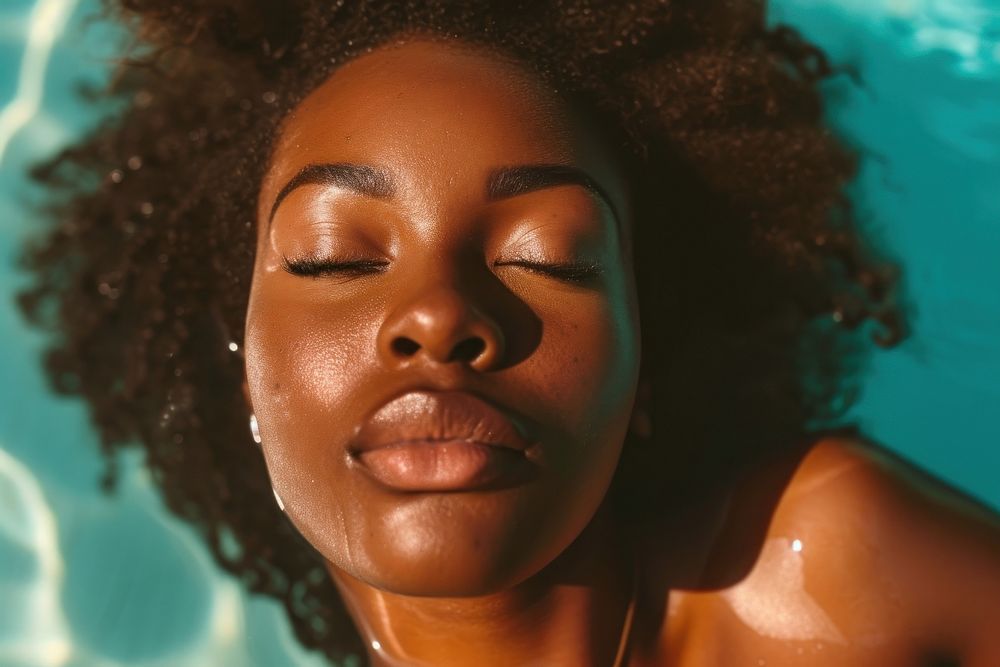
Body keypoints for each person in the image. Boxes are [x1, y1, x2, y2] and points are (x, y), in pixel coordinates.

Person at [18, 1, 1000, 665]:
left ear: (643, 358)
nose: (438, 315)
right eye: (335, 257)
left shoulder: (834, 570)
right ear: (246, 381)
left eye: (549, 257)